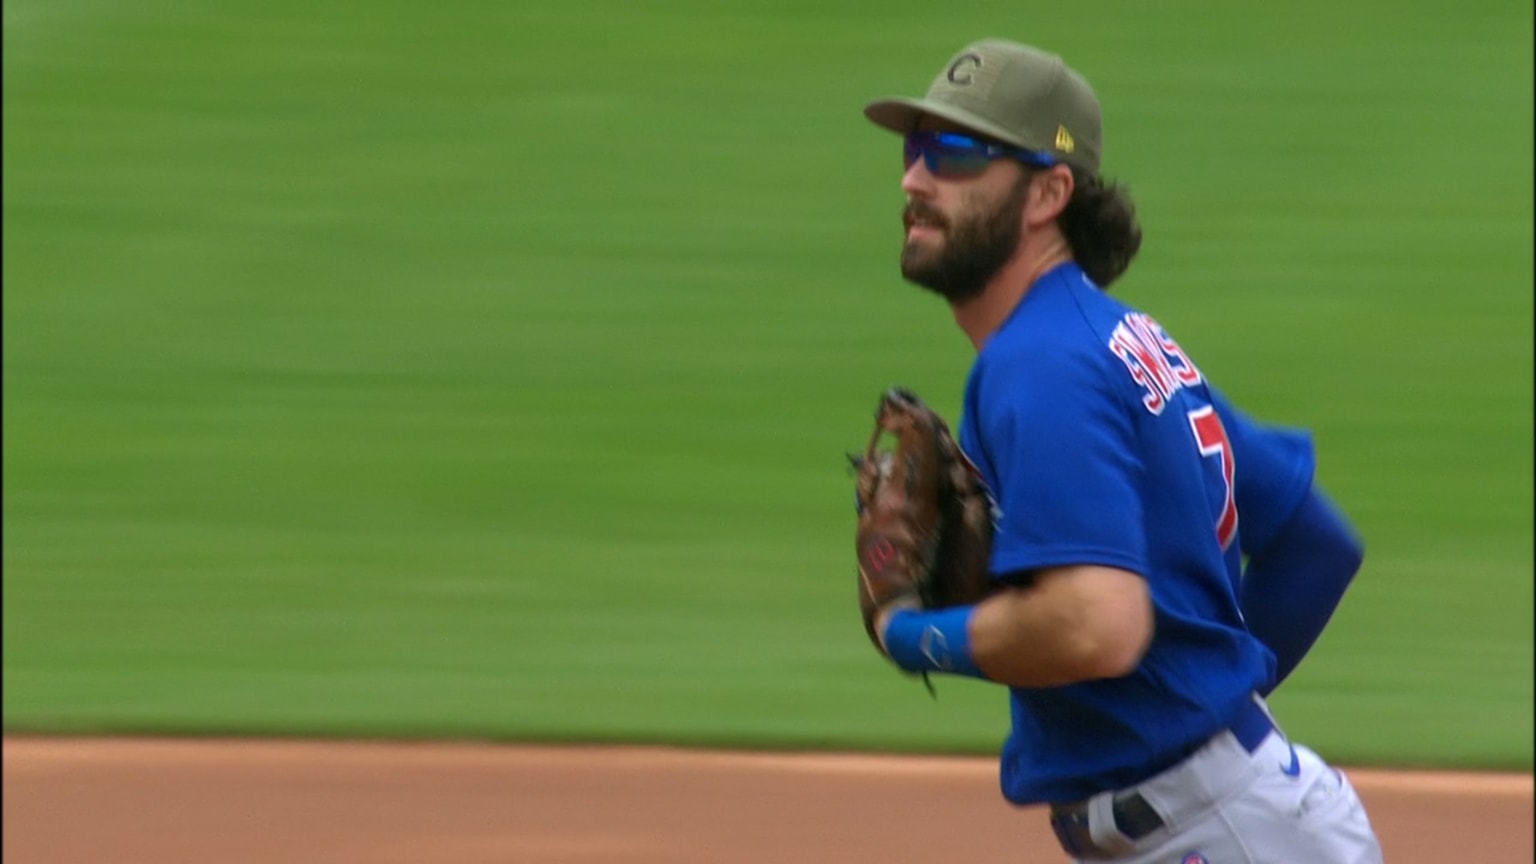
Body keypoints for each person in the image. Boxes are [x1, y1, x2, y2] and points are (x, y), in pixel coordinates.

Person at [859, 39, 1384, 863]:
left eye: (957, 153)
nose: (915, 180)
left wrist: (913, 635)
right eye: (915, 150)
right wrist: (1204, 710)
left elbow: (1097, 627)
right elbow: (1317, 542)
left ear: (1049, 191)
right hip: (1239, 817)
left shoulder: (1037, 363)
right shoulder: (1116, 340)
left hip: (1219, 835)